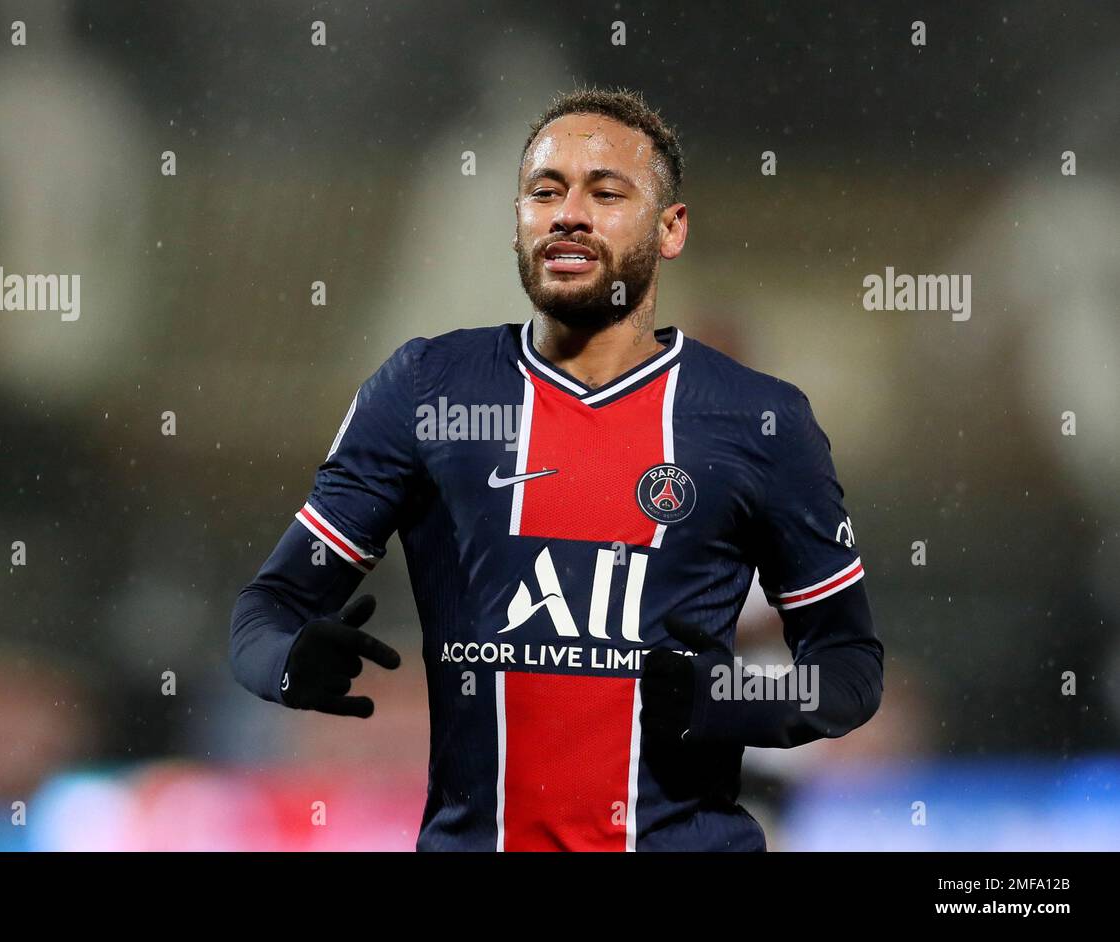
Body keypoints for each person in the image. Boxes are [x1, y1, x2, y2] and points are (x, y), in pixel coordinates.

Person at [231, 86, 883, 851]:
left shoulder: (759, 419)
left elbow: (846, 668)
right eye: (546, 191)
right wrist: (286, 663)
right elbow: (266, 611)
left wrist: (729, 696)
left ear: (671, 229)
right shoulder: (423, 389)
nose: (569, 212)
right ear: (518, 221)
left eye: (606, 192)